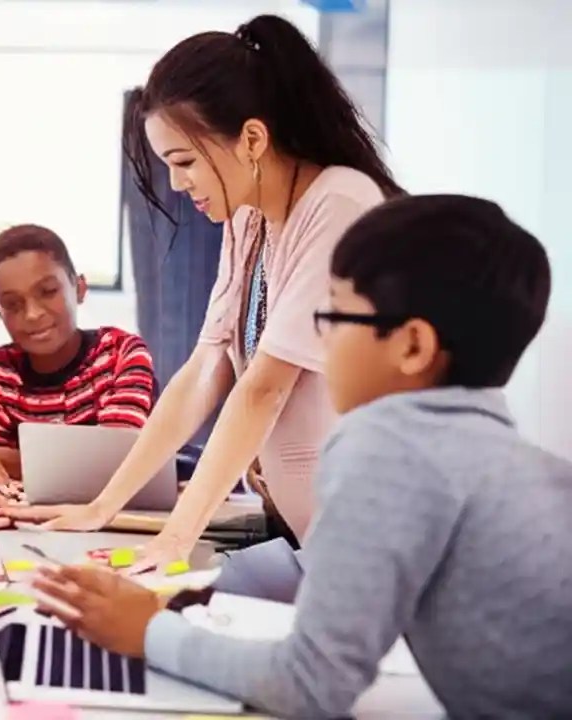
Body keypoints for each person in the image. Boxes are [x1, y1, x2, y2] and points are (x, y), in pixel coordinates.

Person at [33, 194, 572, 718]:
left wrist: (147, 632)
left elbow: (311, 684)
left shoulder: (387, 444)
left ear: (412, 347)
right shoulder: (510, 461)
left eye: (334, 315)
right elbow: (321, 573)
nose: (321, 338)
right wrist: (172, 603)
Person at [7, 15, 402, 566]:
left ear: (253, 140)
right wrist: (102, 506)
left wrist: (177, 537)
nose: (176, 183)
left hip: (366, 524)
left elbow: (265, 388)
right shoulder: (249, 218)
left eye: (185, 162)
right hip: (306, 525)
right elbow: (205, 369)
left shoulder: (339, 202)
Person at [0, 224, 156, 490]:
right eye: (12, 304)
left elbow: (113, 460)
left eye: (47, 292)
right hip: (31, 521)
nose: (32, 314)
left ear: (79, 288)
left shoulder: (120, 353)